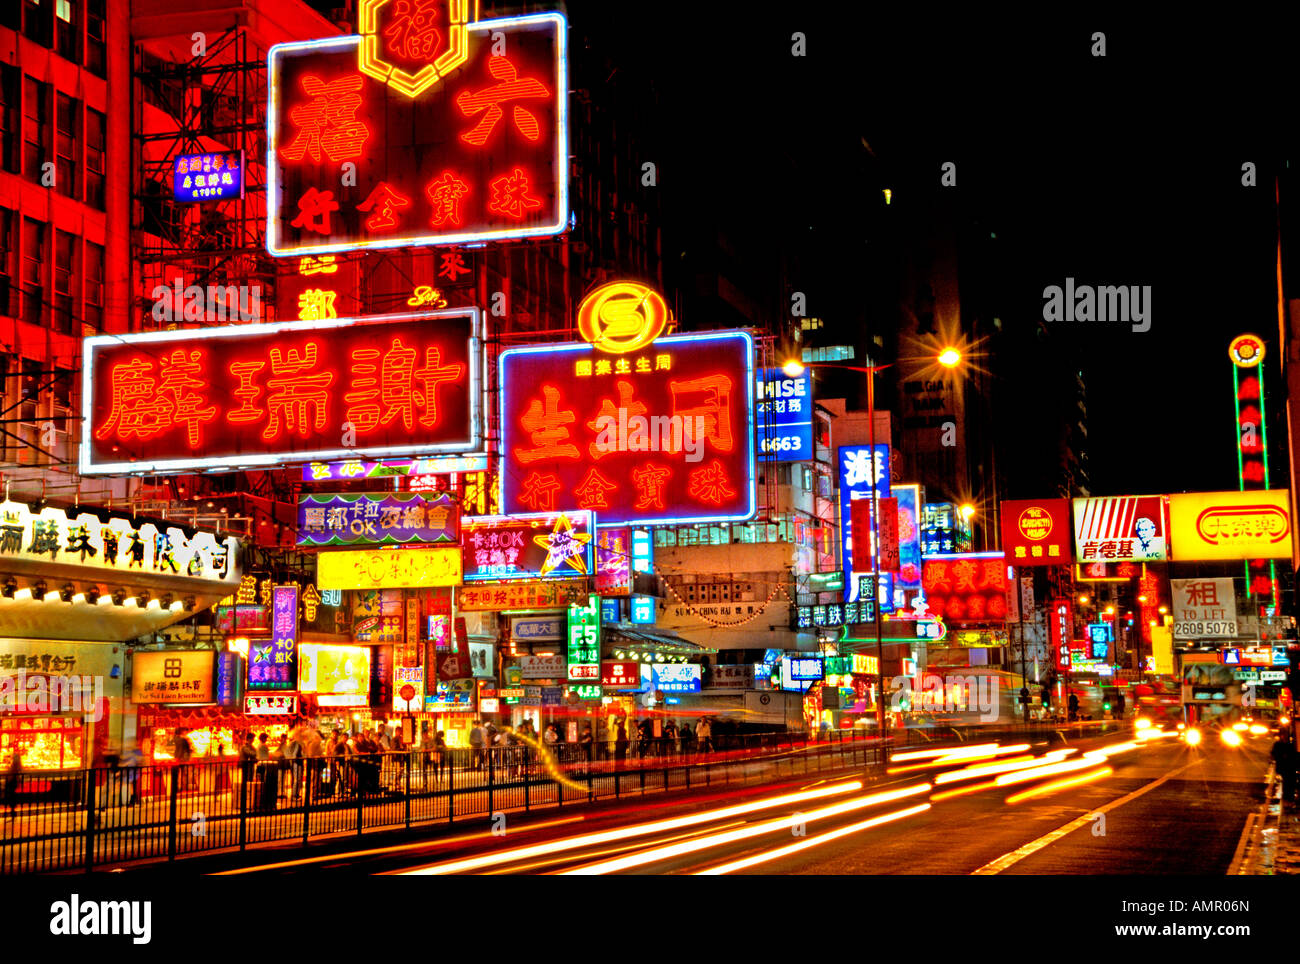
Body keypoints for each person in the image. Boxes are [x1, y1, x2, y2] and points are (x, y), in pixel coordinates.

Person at [1272, 732, 1297, 802]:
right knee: (1287, 781)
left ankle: (1288, 796)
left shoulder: (1289, 745)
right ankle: (1287, 796)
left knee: (1289, 781)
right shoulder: (1279, 745)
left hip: (1288, 766)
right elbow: (1274, 754)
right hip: (1284, 766)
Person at [4, 750, 21, 822]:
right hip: (13, 783)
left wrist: (8, 780)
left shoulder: (14, 765)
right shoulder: (17, 765)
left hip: (11, 783)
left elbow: (11, 774)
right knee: (12, 798)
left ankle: (13, 815)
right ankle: (13, 814)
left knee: (11, 798)